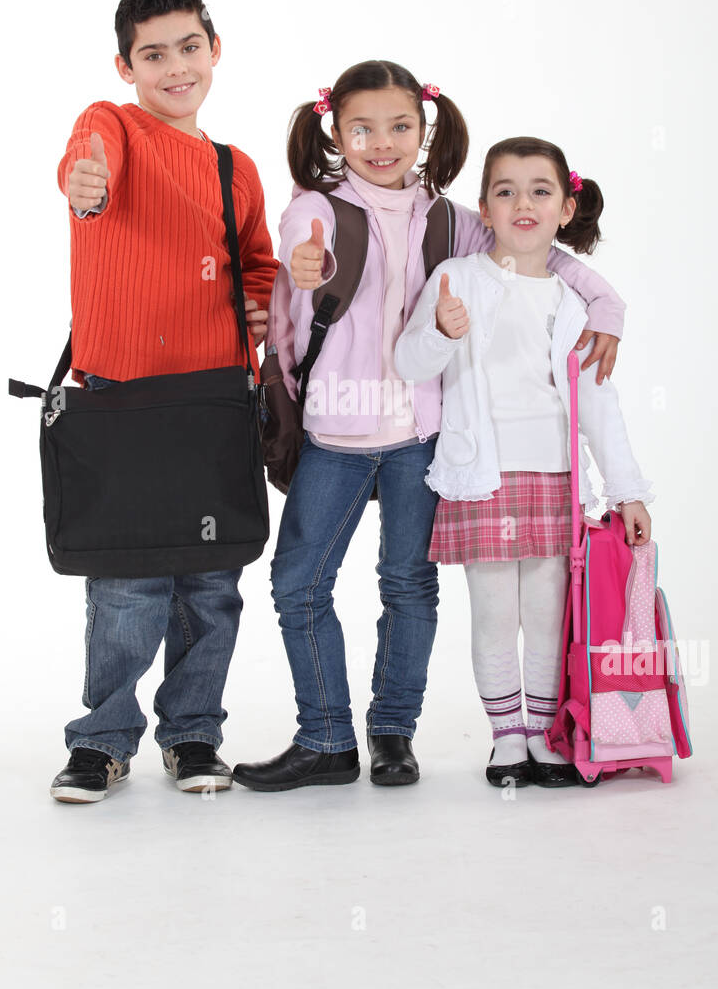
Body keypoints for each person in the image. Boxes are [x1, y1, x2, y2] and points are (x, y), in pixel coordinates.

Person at [232, 65, 626, 793]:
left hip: (426, 438)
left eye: (400, 127)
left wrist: (606, 307)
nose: (382, 143)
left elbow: (534, 252)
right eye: (361, 128)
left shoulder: (453, 221)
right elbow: (300, 243)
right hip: (336, 435)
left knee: (408, 586)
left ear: (425, 130)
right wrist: (306, 259)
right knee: (298, 582)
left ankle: (392, 736)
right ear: (335, 131)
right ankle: (324, 737)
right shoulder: (316, 207)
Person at [49, 0, 278, 803]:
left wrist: (263, 298)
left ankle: (192, 736)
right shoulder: (108, 125)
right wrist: (88, 181)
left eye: (189, 47)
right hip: (120, 393)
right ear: (125, 65)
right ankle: (102, 742)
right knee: (125, 580)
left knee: (212, 581)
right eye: (153, 54)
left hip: (215, 396)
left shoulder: (234, 167)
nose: (175, 66)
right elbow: (86, 161)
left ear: (214, 50)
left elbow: (259, 262)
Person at [394, 136, 653, 789]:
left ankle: (542, 734)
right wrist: (439, 332)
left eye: (540, 190)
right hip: (479, 475)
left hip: (556, 479)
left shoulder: (576, 304)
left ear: (566, 207)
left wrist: (627, 491)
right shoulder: (456, 279)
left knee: (545, 613)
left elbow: (599, 405)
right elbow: (408, 364)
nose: (523, 203)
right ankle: (507, 737)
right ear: (484, 209)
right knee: (493, 614)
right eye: (505, 191)